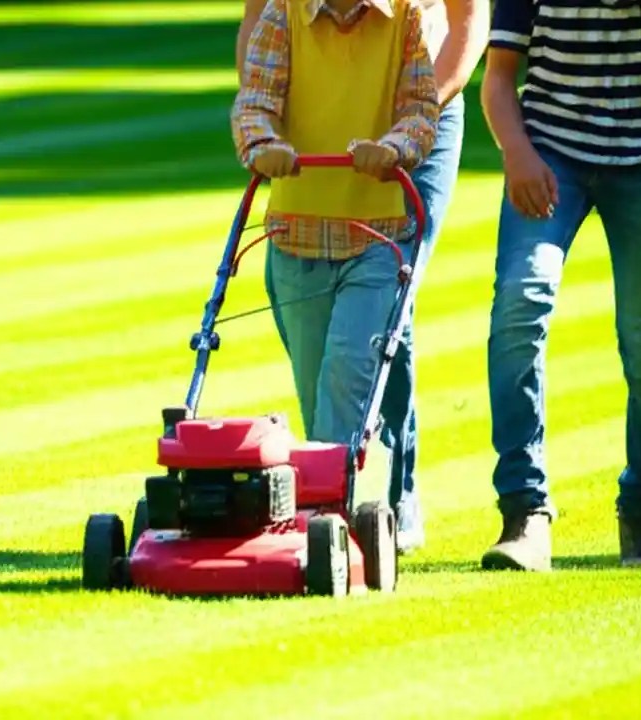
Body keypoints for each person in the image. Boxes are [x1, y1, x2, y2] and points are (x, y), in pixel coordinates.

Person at [235, 0, 488, 553]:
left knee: (354, 360)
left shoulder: (408, 19)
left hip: (384, 208)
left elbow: (430, 93)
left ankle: (337, 519)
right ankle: (359, 504)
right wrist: (262, 142)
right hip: (301, 221)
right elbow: (254, 92)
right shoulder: (285, 16)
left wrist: (398, 146)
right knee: (320, 379)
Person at [479, 0, 641, 571]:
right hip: (551, 148)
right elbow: (499, 77)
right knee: (519, 303)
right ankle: (524, 513)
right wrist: (517, 151)